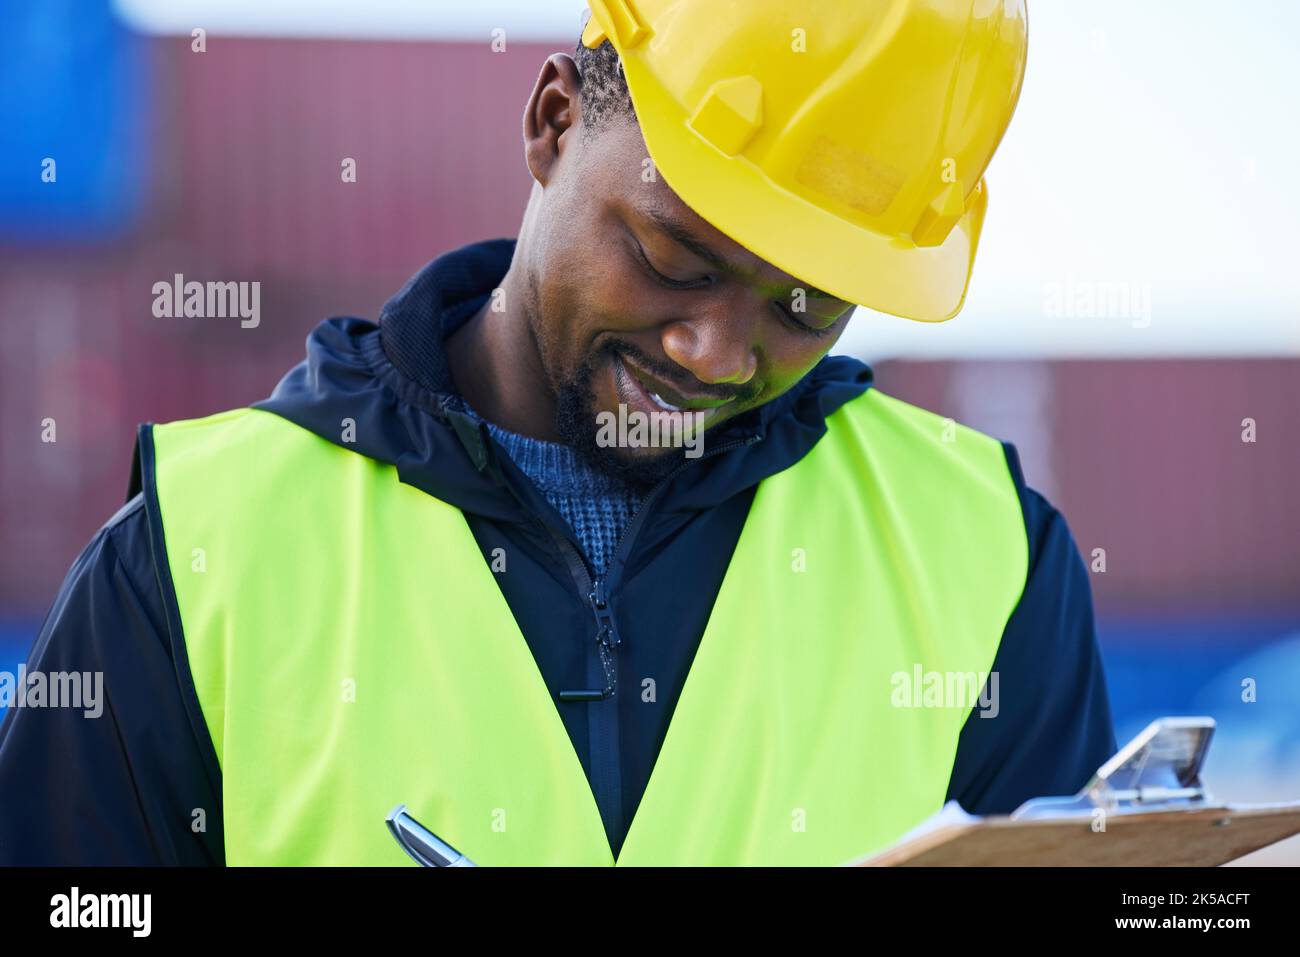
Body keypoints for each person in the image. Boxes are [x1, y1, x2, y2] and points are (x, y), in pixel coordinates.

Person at [0, 0, 1116, 865]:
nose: (717, 356)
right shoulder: (200, 555)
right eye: (676, 262)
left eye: (805, 308)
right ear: (552, 124)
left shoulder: (988, 557)